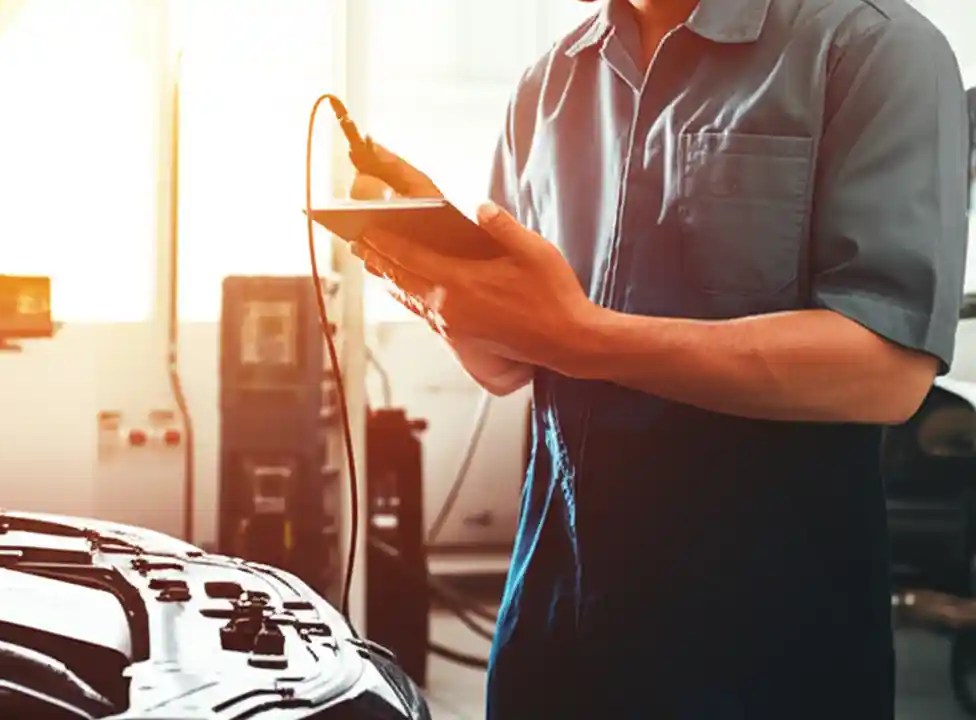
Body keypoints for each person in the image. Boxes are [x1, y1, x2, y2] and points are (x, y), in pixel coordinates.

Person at [349, 0, 971, 717]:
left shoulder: (873, 49)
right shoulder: (548, 82)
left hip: (766, 644)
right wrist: (440, 282)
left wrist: (579, 337)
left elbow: (885, 373)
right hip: (552, 628)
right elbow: (506, 368)